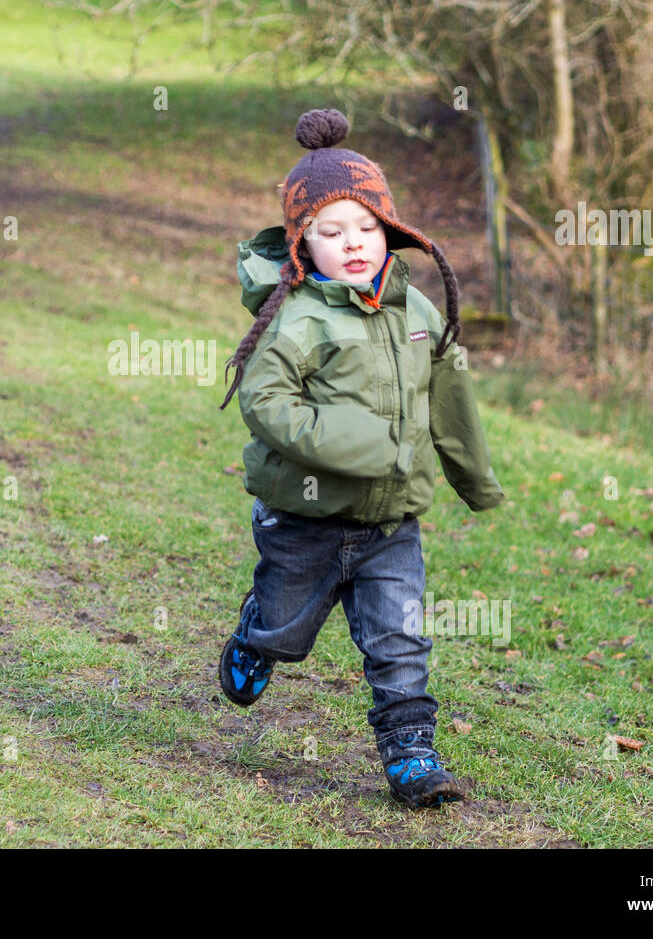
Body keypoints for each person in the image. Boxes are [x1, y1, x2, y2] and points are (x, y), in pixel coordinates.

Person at [216, 108, 506, 808]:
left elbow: (451, 397)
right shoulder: (300, 318)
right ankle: (259, 632)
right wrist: (359, 444)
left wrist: (474, 479)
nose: (353, 243)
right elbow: (266, 401)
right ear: (302, 244)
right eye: (332, 230)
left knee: (399, 640)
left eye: (367, 228)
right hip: (304, 520)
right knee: (289, 631)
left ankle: (412, 755)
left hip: (390, 526)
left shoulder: (419, 314)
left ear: (391, 233)